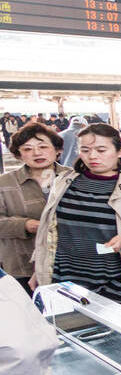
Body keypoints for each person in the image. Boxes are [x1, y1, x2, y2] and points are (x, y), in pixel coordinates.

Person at [31, 123, 121, 324]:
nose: (92, 156)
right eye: (85, 150)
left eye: (101, 150)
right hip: (67, 278)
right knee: (76, 339)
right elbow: (50, 228)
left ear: (119, 151)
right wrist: (39, 268)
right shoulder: (64, 181)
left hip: (117, 280)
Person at [0, 122, 70, 291]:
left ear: (58, 150)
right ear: (18, 155)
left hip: (70, 266)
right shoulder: (4, 183)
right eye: (27, 149)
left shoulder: (74, 178)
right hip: (21, 267)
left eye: (43, 146)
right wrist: (26, 225)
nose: (36, 153)